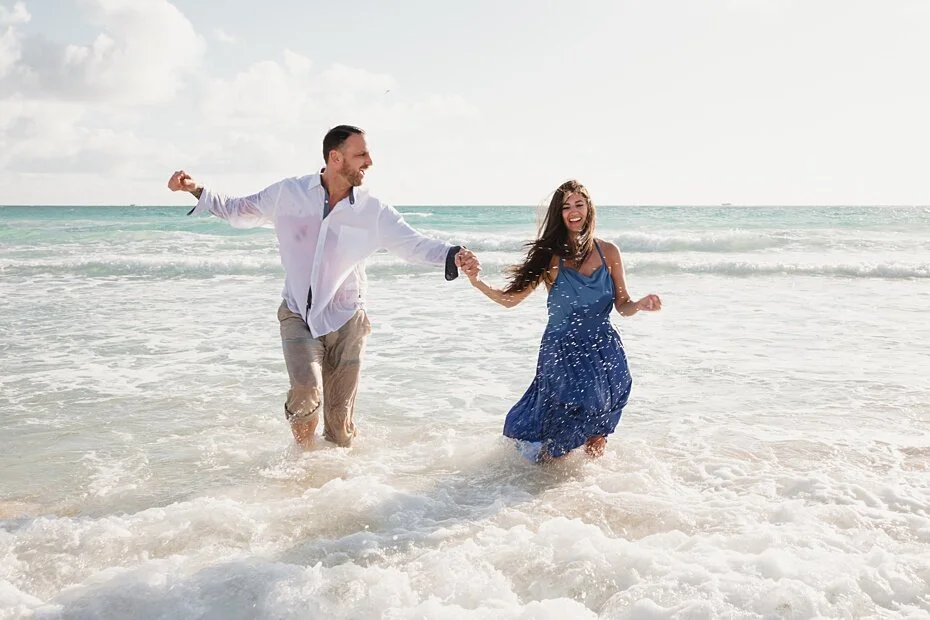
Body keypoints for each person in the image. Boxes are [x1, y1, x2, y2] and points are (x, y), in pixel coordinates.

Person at [167, 125, 478, 449]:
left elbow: (413, 244)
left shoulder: (372, 210)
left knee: (339, 424)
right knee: (305, 391)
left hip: (347, 320)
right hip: (297, 313)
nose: (369, 161)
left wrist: (455, 255)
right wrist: (195, 188)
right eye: (361, 154)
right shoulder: (289, 194)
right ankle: (302, 460)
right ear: (335, 157)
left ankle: (334, 483)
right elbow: (237, 209)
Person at [460, 179, 661, 462]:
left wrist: (639, 305)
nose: (573, 211)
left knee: (599, 426)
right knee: (562, 428)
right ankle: (537, 484)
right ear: (559, 213)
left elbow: (623, 306)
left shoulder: (609, 252)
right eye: (566, 206)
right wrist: (476, 282)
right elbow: (510, 299)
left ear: (589, 209)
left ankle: (589, 487)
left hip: (604, 350)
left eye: (579, 204)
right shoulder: (549, 257)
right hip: (563, 352)